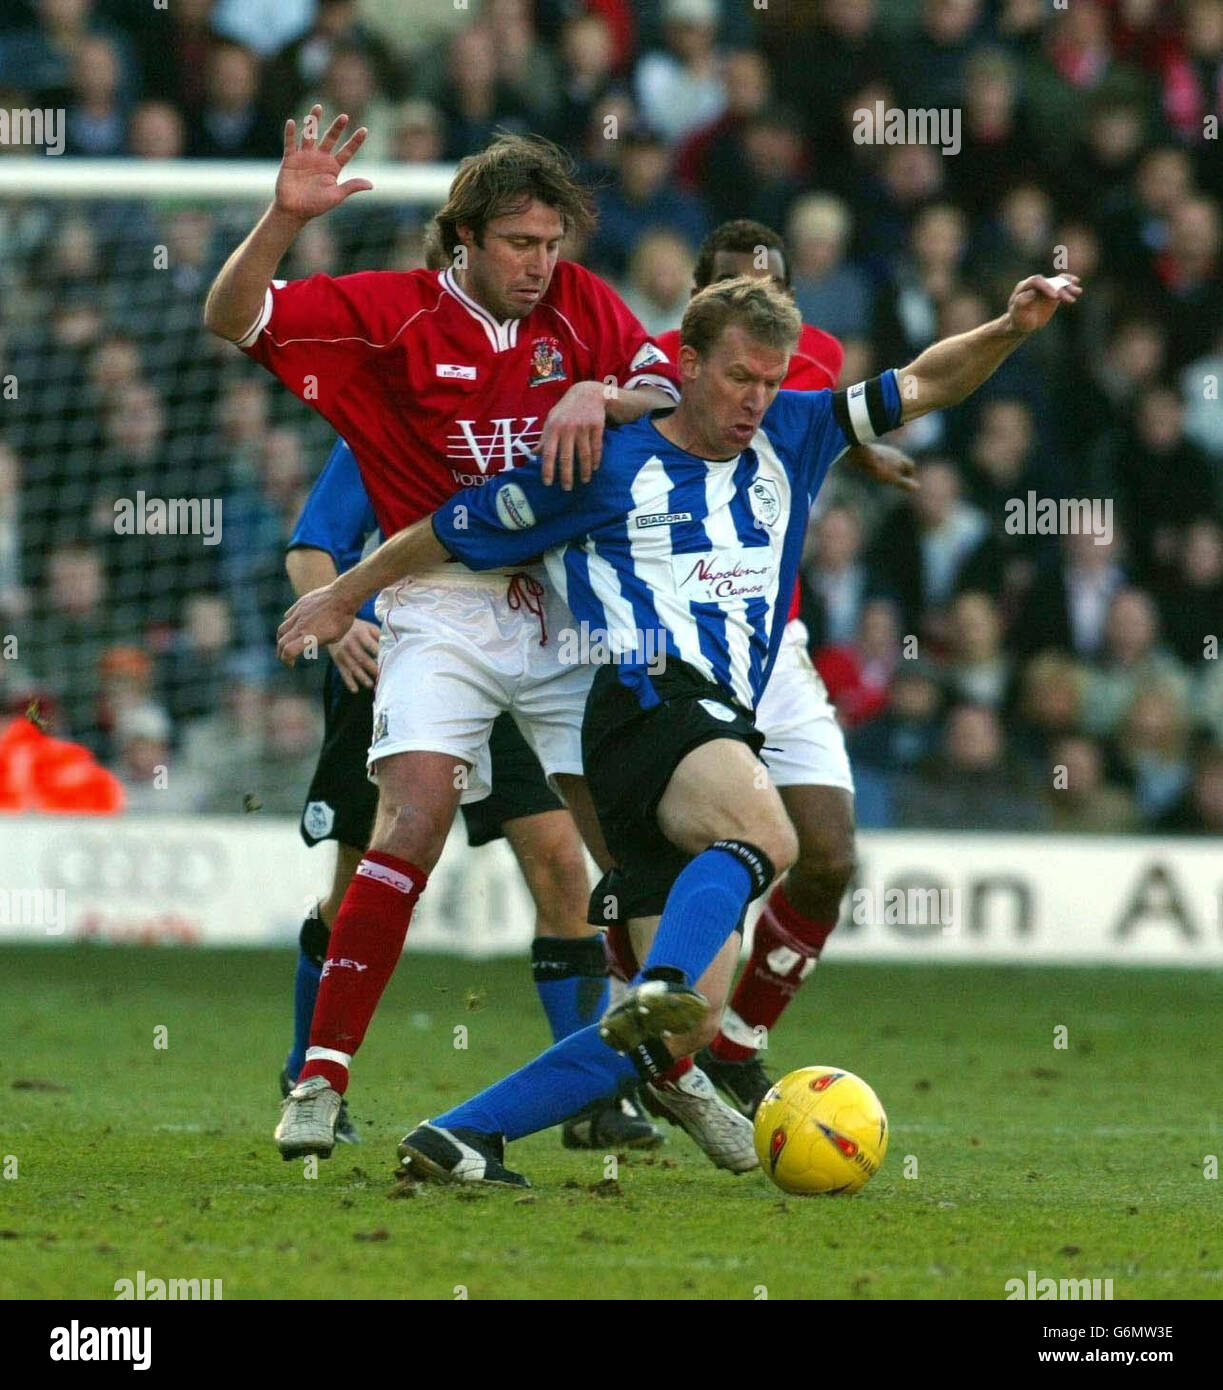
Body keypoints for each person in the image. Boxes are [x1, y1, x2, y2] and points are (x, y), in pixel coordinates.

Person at [278, 268, 1082, 1185]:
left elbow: (927, 381)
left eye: (772, 380)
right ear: (684, 363)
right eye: (739, 376)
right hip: (644, 699)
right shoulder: (603, 463)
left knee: (686, 1023)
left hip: (699, 726)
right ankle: (624, 995)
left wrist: (1010, 326)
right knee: (765, 834)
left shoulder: (797, 431)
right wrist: (343, 594)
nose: (755, 400)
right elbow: (455, 525)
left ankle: (465, 1132)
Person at [202, 114, 694, 1161]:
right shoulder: (387, 316)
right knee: (411, 819)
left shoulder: (581, 308)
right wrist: (283, 218)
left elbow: (666, 388)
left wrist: (595, 389)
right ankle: (320, 1081)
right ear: (461, 239)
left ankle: (668, 1070)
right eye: (519, 243)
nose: (539, 264)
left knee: (628, 841)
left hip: (565, 603)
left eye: (551, 243)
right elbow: (232, 316)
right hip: (435, 602)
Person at [282, 437, 659, 1149]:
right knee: (362, 875)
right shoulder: (395, 414)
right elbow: (313, 544)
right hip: (401, 652)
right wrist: (338, 627)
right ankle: (309, 1069)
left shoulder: (540, 416)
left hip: (525, 649)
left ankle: (592, 1098)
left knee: (560, 864)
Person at [651, 218, 916, 1119]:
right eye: (735, 285)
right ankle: (637, 1055)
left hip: (777, 643)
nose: (761, 303)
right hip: (671, 655)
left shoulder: (813, 358)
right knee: (675, 868)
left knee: (828, 855)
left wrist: (858, 450)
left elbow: (813, 426)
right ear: (697, 302)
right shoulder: (655, 365)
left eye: (776, 288)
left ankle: (736, 1048)